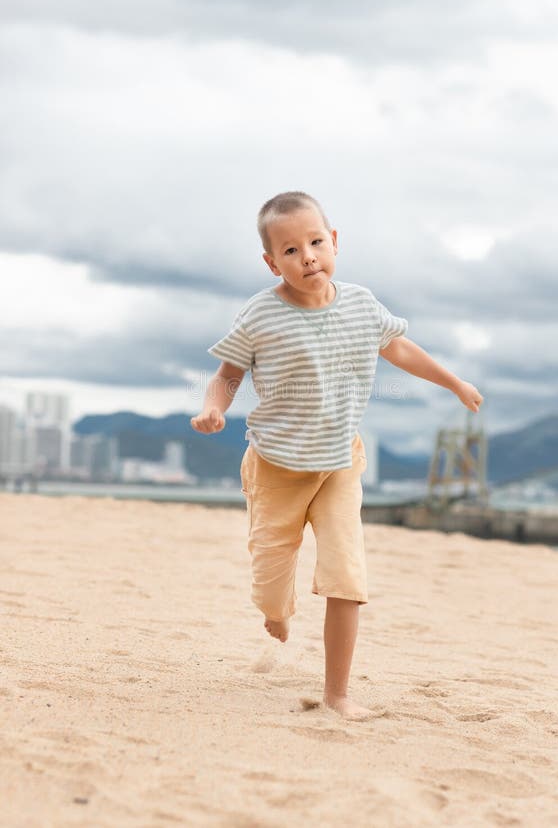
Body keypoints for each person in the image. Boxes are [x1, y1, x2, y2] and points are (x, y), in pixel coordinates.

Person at [191, 191, 483, 720]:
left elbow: (399, 348)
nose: (307, 256)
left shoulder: (362, 305)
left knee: (346, 576)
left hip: (340, 463)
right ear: (270, 261)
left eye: (316, 242)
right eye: (290, 250)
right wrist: (214, 408)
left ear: (334, 241)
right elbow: (228, 374)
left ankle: (338, 695)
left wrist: (454, 382)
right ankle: (276, 613)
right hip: (276, 468)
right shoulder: (259, 315)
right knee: (270, 589)